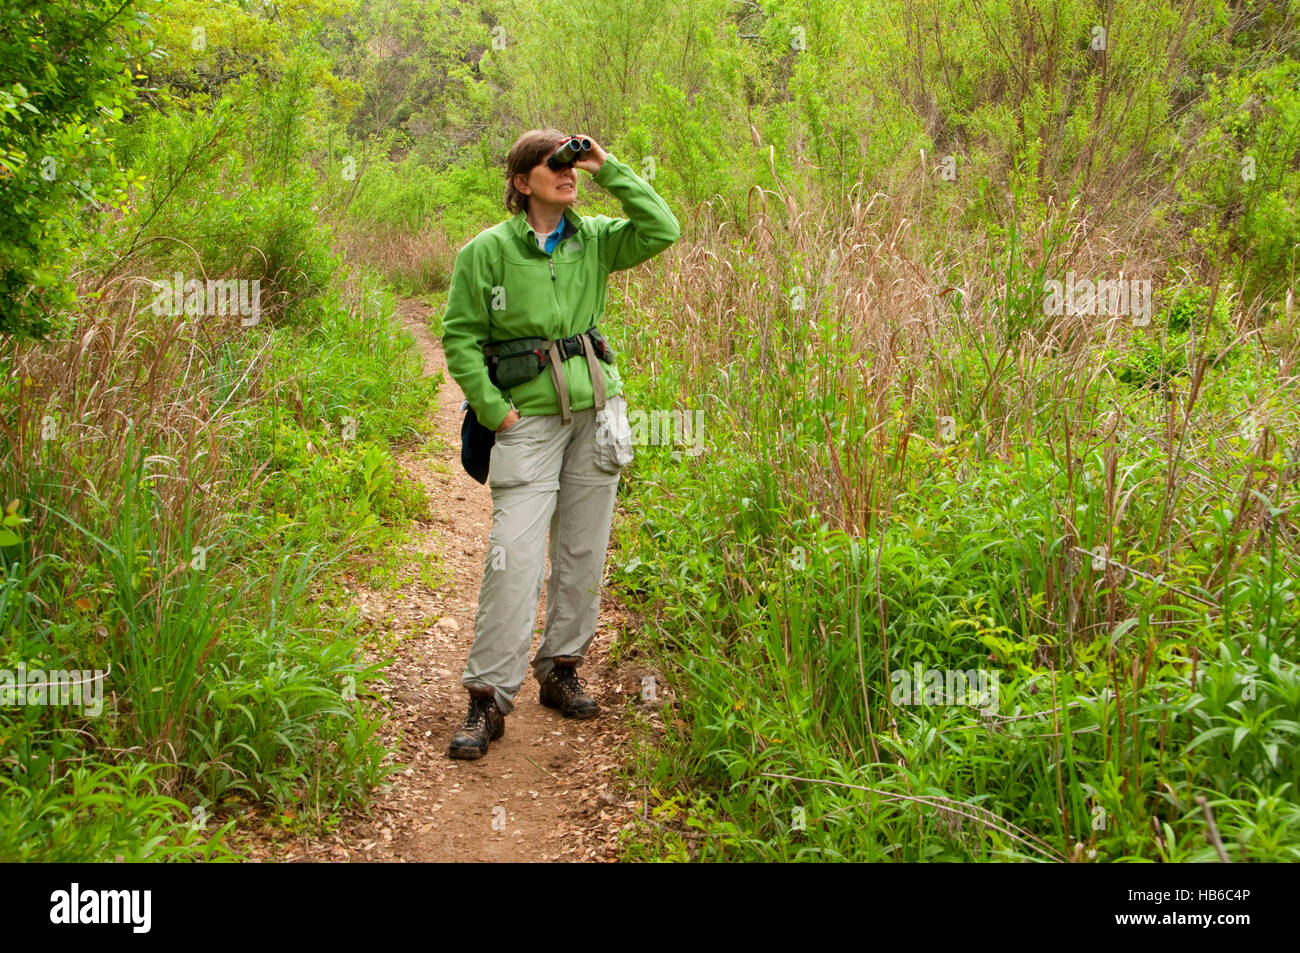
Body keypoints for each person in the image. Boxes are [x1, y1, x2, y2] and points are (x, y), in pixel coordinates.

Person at [440, 129, 680, 759]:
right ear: (523, 182)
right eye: (557, 166)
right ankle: (487, 697)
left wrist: (608, 166)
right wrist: (496, 412)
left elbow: (663, 228)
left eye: (573, 166)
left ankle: (560, 668)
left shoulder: (595, 239)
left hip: (598, 415)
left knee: (582, 551)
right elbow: (460, 339)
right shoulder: (486, 253)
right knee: (513, 556)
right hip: (529, 421)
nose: (568, 174)